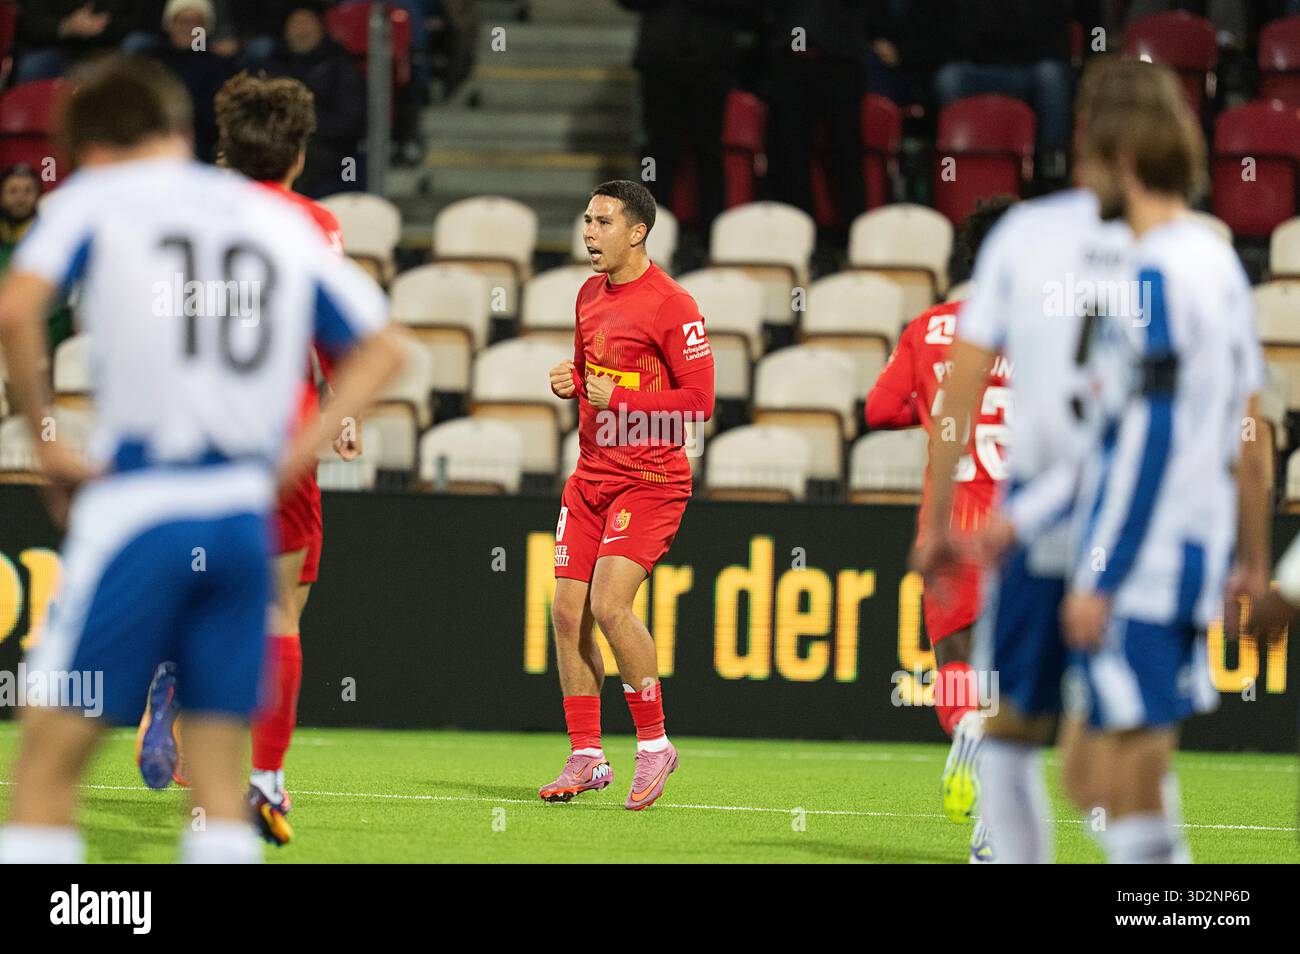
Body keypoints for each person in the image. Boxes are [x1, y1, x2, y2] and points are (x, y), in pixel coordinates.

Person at [0, 56, 403, 864]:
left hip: (143, 498)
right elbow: (386, 351)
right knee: (219, 780)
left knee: (46, 759)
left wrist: (49, 444)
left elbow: (16, 309)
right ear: (182, 133)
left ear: (87, 145)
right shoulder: (276, 220)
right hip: (240, 509)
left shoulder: (99, 199)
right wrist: (292, 454)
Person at [911, 58, 1135, 864]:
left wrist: (937, 521)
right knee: (1112, 690)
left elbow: (959, 395)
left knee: (1010, 683)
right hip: (1112, 497)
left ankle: (998, 836)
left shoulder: (1022, 245)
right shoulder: (1183, 250)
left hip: (1031, 501)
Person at [134, 71, 358, 847]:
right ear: (298, 153)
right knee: (277, 607)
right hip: (285, 423)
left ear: (224, 149)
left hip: (198, 423)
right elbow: (336, 331)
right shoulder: (316, 225)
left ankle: (172, 666)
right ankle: (265, 778)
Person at [1056, 61, 1271, 864]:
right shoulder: (1217, 263)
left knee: (1112, 779)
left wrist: (1101, 576)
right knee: (1102, 776)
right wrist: (1248, 558)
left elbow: (1149, 433)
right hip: (1188, 549)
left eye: (1085, 156)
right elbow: (1253, 432)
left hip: (1144, 560)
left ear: (1117, 158)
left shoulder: (1149, 278)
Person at [541, 179, 714, 810]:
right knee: (566, 613)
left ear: (637, 231)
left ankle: (654, 746)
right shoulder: (588, 294)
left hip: (653, 479)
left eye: (603, 222)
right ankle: (586, 756)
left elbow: (699, 405)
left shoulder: (673, 304)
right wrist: (572, 383)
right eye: (586, 220)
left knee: (611, 607)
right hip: (591, 475)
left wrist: (625, 400)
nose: (589, 232)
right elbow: (592, 379)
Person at [864, 195, 1015, 863]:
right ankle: (999, 828)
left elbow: (877, 408)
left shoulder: (929, 330)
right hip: (1023, 531)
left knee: (955, 669)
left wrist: (927, 407)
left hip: (951, 527)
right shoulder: (1048, 334)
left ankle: (970, 739)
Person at [265, 2, 367, 198]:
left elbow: (350, 122)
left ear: (321, 29)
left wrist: (303, 125)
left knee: (301, 159)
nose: (301, 30)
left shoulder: (340, 64)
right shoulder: (273, 64)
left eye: (307, 24)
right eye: (295, 24)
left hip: (330, 149)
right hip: (277, 143)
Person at [0, 165, 75, 354]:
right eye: (13, 191)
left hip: (48, 344)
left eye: (28, 191)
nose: (20, 198)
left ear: (38, 196)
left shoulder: (53, 242)